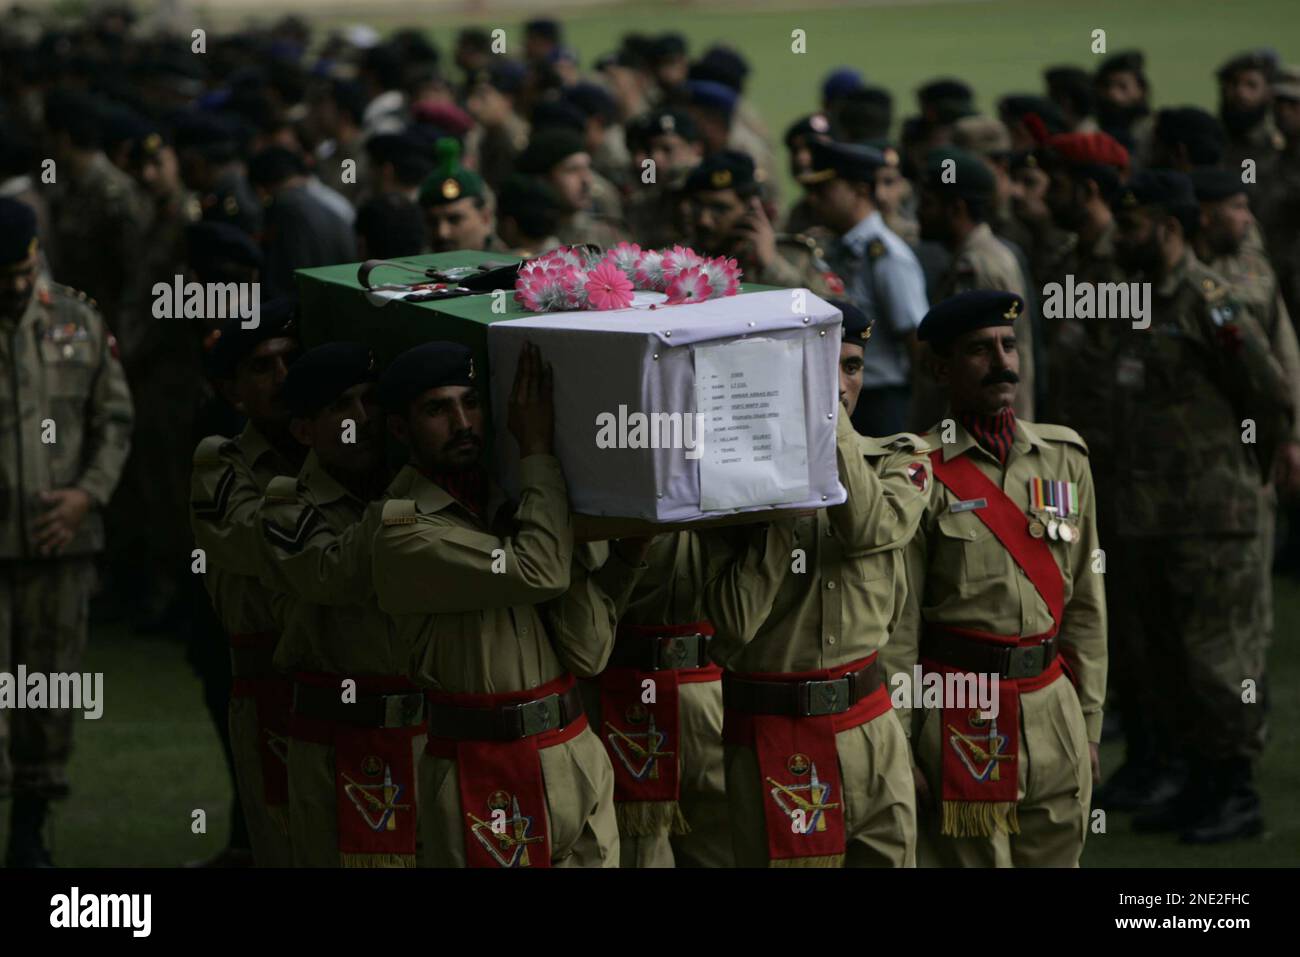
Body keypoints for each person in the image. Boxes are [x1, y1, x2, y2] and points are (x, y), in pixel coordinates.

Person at [267, 342, 626, 867]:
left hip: (574, 751)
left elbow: (590, 652)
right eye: (437, 409)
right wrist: (537, 450)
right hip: (482, 769)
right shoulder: (400, 530)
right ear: (398, 430)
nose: (462, 422)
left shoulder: (513, 501)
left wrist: (629, 553)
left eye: (471, 402)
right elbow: (539, 570)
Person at [702, 299, 930, 867]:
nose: (839, 383)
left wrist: (825, 427)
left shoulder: (901, 461)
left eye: (851, 366)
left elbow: (868, 527)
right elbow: (730, 629)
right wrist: (786, 499)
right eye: (822, 364)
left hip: (871, 724)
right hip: (777, 731)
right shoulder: (733, 481)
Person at [886, 290, 1106, 867]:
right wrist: (902, 744)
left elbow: (1086, 603)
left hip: (1053, 704)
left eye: (1009, 345)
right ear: (940, 369)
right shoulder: (918, 472)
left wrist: (1089, 724)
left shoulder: (1065, 458)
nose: (1002, 361)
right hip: (962, 708)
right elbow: (900, 626)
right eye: (980, 350)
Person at [1106, 171, 1291, 842]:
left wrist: (1245, 466)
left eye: (1132, 226)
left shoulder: (1211, 302)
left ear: (1171, 228)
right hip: (1153, 515)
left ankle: (1235, 790)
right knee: (1169, 659)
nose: (1120, 237)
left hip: (1213, 517)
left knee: (1220, 659)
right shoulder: (1141, 299)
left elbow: (1270, 394)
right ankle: (1196, 782)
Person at [0, 198, 133, 866]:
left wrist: (88, 494)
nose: (18, 287)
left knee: (48, 686)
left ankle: (30, 829)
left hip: (60, 544)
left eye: (24, 271)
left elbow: (113, 419)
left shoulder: (77, 318)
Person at [259, 343, 422, 867]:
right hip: (337, 742)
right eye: (340, 407)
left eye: (370, 399)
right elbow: (335, 576)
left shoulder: (413, 487)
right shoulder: (285, 504)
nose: (363, 419)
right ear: (303, 431)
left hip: (427, 737)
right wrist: (408, 488)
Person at [190, 300, 303, 867]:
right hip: (273, 694)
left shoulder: (342, 448)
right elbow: (274, 546)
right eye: (262, 368)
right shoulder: (220, 464)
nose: (283, 379)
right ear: (233, 393)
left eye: (290, 361)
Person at [797, 139, 928, 436]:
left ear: (860, 190)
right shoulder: (837, 247)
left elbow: (917, 344)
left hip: (881, 402)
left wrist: (918, 420)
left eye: (824, 189)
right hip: (846, 395)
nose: (813, 200)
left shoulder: (887, 257)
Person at [916, 147, 1034, 423]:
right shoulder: (984, 255)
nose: (920, 212)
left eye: (928, 203)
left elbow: (980, 373)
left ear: (957, 209)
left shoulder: (979, 267)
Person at [683, 151, 843, 297]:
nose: (704, 220)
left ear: (751, 209)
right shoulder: (676, 261)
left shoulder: (793, 258)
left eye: (720, 209)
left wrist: (771, 265)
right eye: (697, 206)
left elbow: (840, 313)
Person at [417, 139, 499, 254]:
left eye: (454, 219)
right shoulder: (413, 267)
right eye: (432, 222)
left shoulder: (515, 267)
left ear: (485, 218)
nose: (442, 233)